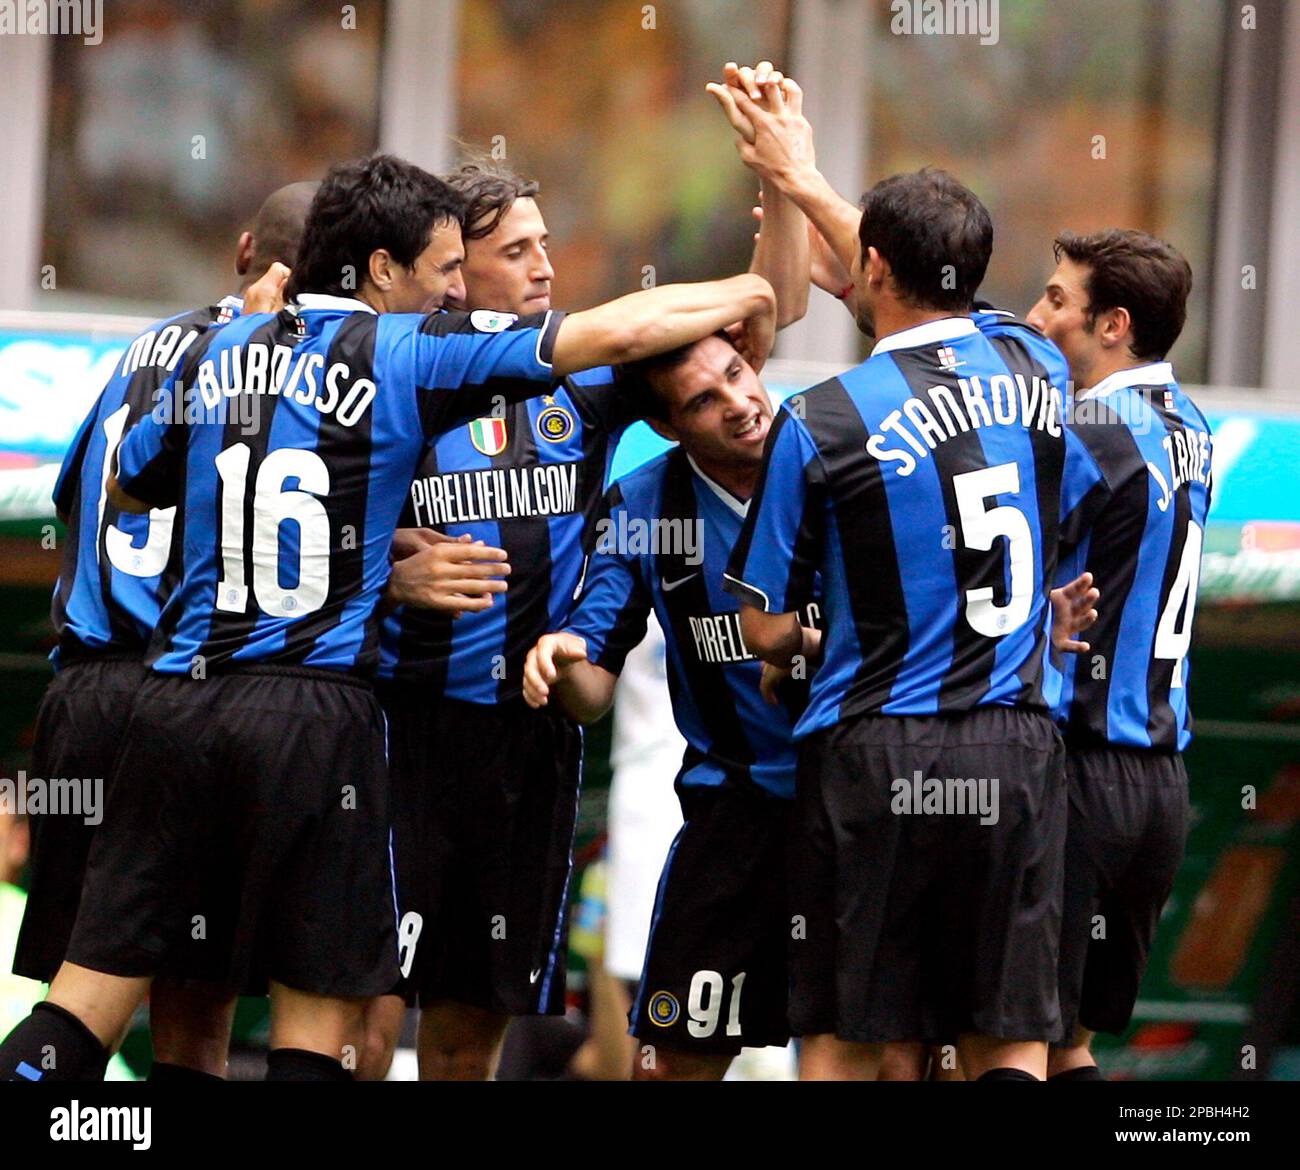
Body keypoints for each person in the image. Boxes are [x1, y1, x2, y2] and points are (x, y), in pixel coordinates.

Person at [0, 152, 776, 1082]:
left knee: (92, 1008)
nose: (454, 289)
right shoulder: (411, 354)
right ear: (380, 270)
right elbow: (618, 331)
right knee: (317, 1031)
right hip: (318, 714)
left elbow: (126, 489)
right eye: (447, 268)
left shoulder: (216, 349)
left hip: (175, 702)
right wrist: (754, 289)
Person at [369, 148, 809, 1081]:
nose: (544, 266)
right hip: (403, 721)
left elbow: (768, 315)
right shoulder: (396, 366)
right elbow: (285, 540)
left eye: (544, 243)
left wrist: (781, 174)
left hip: (528, 747)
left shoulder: (592, 372)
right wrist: (385, 575)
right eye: (516, 250)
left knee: (467, 1032)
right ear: (455, 264)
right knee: (363, 1020)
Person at [10, 182, 313, 1082]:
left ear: (245, 248)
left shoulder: (138, 351)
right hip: (180, 702)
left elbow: (72, 499)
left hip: (82, 693)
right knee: (172, 1018)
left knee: (92, 997)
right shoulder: (300, 368)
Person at [523, 327, 816, 1081]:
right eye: (705, 400)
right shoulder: (645, 504)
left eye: (739, 373)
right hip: (735, 816)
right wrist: (559, 659)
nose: (742, 404)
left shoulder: (837, 456)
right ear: (666, 426)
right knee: (666, 1062)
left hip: (860, 805)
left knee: (880, 1054)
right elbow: (591, 691)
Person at [1026, 230, 1210, 1081]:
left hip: (1081, 772)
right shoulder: (1192, 425)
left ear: (1115, 325)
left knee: (1010, 1035)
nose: (1037, 314)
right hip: (1161, 788)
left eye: (1059, 300)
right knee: (1074, 1045)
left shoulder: (1091, 429)